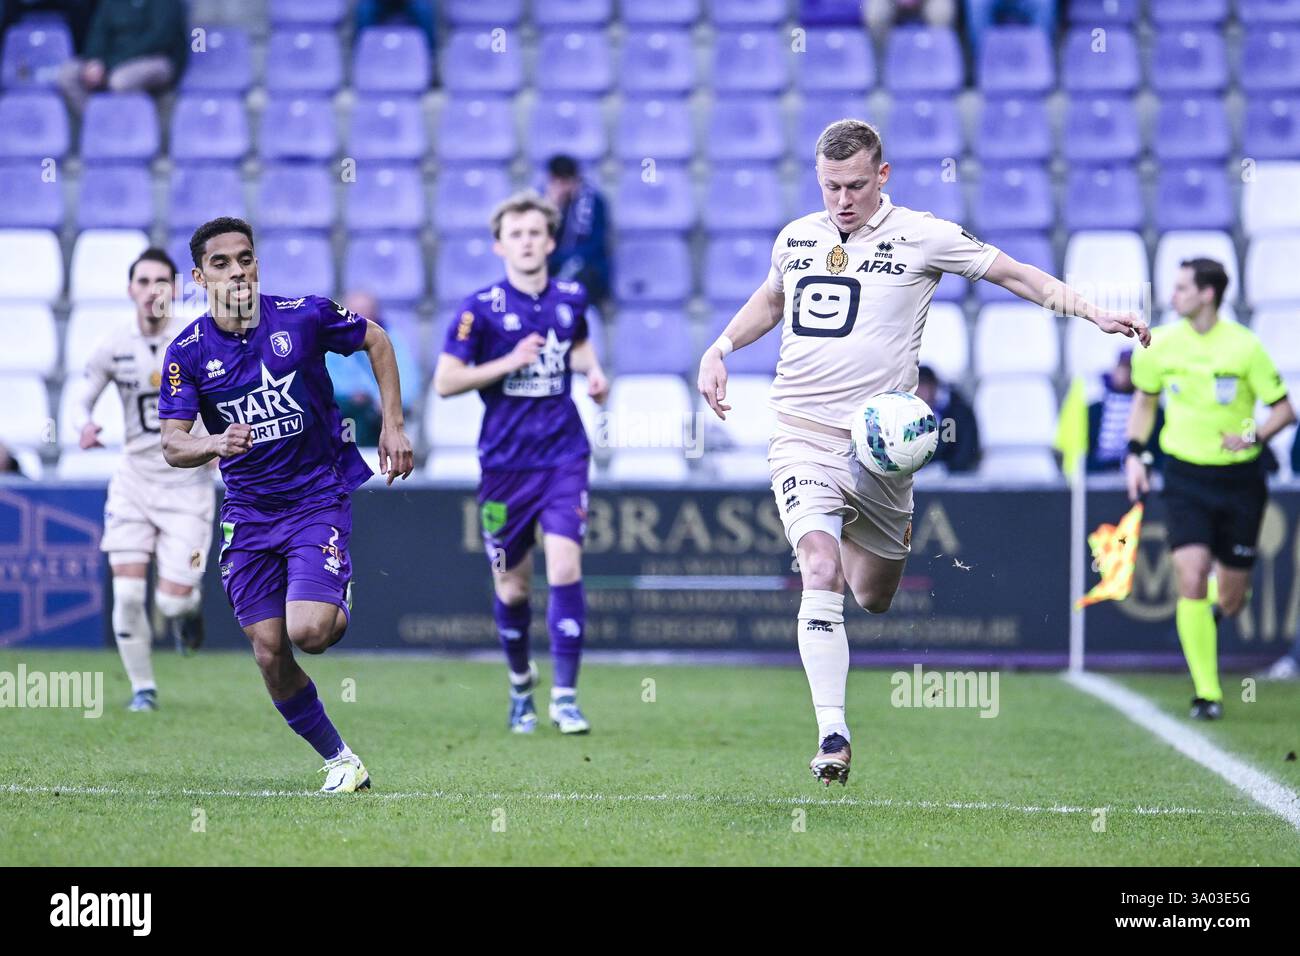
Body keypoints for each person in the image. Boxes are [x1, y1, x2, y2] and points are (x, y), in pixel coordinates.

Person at [697, 119, 1149, 786]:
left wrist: (1092, 312)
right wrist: (721, 347)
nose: (841, 199)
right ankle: (833, 733)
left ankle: (878, 537)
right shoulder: (796, 237)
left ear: (882, 176)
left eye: (854, 185)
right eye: (830, 187)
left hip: (881, 448)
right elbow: (771, 300)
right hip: (802, 434)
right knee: (818, 569)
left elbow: (1015, 275)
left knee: (872, 595)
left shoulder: (923, 235)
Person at [158, 217, 414, 792]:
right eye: (220, 263)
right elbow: (173, 444)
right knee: (269, 651)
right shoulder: (189, 352)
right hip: (248, 512)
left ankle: (330, 588)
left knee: (309, 632)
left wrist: (392, 426)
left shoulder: (302, 315)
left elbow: (376, 338)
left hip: (316, 496)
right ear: (199, 277)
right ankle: (341, 760)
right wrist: (215, 442)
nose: (237, 270)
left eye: (245, 258)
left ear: (257, 263)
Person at [434, 191, 609, 735]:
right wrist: (508, 361)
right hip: (504, 464)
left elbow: (575, 345)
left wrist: (593, 372)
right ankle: (519, 684)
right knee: (512, 587)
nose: (527, 242)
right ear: (499, 245)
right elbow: (445, 381)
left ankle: (565, 697)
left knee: (564, 568)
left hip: (563, 454)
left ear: (551, 241)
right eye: (517, 234)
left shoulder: (573, 296)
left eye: (536, 233)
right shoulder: (478, 308)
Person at [1125, 258, 1296, 720]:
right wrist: (1135, 454)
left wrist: (1255, 434)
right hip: (1184, 475)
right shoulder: (1160, 344)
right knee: (1191, 575)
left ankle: (1225, 605)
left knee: (1230, 600)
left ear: (1208, 294)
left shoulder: (1244, 347)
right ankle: (1208, 693)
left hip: (1240, 480)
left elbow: (1284, 410)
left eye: (1182, 288)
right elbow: (1144, 402)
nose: (1172, 295)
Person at [77, 247, 214, 712]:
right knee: (130, 592)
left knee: (172, 603)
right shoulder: (114, 344)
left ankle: (188, 614)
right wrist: (85, 424)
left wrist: (215, 443)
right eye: (144, 281)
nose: (153, 290)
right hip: (133, 480)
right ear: (131, 289)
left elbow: (223, 393)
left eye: (162, 281)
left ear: (174, 289)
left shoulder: (197, 339)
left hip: (188, 485)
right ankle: (143, 689)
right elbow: (83, 395)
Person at [325, 291, 421, 447]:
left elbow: (409, 383)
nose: (359, 316)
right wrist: (353, 394)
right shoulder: (330, 342)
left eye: (365, 311)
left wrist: (385, 403)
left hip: (381, 416)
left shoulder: (394, 341)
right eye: (354, 311)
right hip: (347, 411)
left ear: (376, 313)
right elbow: (327, 378)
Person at [56, 0, 188, 113]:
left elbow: (159, 39)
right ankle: (99, 120)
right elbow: (98, 33)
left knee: (120, 81)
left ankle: (125, 125)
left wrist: (108, 65)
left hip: (157, 60)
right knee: (67, 74)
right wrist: (94, 61)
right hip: (112, 62)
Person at [544, 155, 611, 309]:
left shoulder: (593, 202)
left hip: (587, 269)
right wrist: (552, 211)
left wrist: (564, 260)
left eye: (565, 182)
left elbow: (596, 245)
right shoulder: (543, 205)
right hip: (554, 267)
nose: (561, 188)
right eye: (557, 182)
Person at [914, 364, 980, 473]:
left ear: (933, 386)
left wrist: (947, 469)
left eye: (922, 387)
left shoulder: (958, 412)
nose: (919, 393)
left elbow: (966, 451)